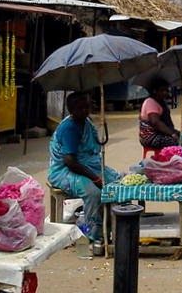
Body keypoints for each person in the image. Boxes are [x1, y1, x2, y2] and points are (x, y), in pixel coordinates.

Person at [48, 91, 120, 249]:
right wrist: (94, 178)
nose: (85, 111)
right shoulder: (70, 128)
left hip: (87, 164)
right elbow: (70, 161)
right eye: (80, 108)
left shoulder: (86, 122)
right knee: (94, 193)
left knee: (117, 183)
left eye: (87, 107)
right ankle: (94, 236)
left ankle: (112, 229)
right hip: (64, 170)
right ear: (71, 109)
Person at [139, 78, 181, 150]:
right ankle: (172, 160)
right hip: (150, 137)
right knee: (173, 141)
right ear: (155, 91)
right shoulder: (150, 102)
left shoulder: (161, 102)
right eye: (162, 90)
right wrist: (172, 133)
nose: (165, 93)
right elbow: (155, 122)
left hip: (160, 133)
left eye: (166, 90)